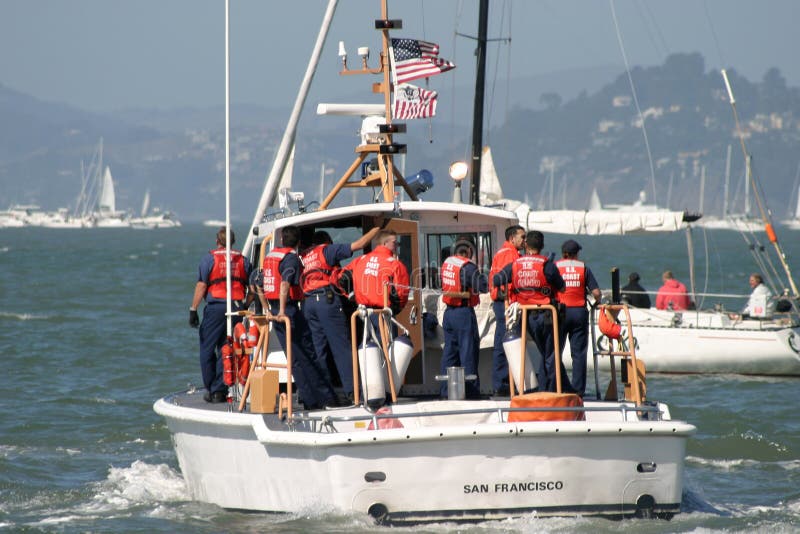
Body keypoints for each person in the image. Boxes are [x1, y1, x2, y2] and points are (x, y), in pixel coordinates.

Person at [300, 226, 380, 403]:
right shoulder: (327, 250)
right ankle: (353, 392)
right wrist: (377, 229)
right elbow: (359, 244)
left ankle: (323, 395)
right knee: (341, 348)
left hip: (308, 303)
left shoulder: (304, 256)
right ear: (327, 242)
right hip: (326, 301)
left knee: (318, 350)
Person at [260, 225, 337, 410]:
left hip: (275, 312)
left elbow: (257, 283)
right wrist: (282, 310)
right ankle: (327, 398)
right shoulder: (290, 259)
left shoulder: (270, 257)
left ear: (281, 240)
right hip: (288, 312)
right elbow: (285, 283)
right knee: (310, 355)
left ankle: (310, 400)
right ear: (299, 242)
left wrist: (267, 310)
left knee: (294, 359)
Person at [493, 230, 565, 392]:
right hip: (545, 315)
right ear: (542, 246)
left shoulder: (516, 264)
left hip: (524, 316)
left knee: (534, 353)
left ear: (526, 245)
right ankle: (550, 391)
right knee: (550, 354)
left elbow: (497, 280)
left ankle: (528, 389)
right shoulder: (547, 265)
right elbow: (562, 287)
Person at [189, 227, 252, 403]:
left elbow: (202, 285)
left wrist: (193, 309)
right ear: (233, 241)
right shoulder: (243, 261)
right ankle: (219, 389)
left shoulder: (209, 259)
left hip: (216, 308)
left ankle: (211, 387)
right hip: (236, 308)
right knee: (227, 348)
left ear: (217, 241)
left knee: (207, 348)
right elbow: (253, 287)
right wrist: (246, 305)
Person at [439, 237, 488, 399]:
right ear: (469, 250)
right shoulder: (468, 267)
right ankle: (471, 392)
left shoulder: (447, 262)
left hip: (449, 314)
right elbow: (483, 287)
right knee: (468, 353)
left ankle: (445, 391)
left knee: (449, 353)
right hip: (463, 314)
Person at [555, 239, 602, 397]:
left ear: (563, 253)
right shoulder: (583, 268)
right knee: (579, 354)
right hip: (579, 312)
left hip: (559, 312)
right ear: (576, 254)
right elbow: (596, 293)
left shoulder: (555, 267)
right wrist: (597, 303)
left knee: (554, 352)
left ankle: (559, 386)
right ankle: (578, 391)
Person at [348, 228, 410, 345]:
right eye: (394, 242)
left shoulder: (360, 260)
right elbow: (402, 292)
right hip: (383, 313)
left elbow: (342, 277)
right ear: (385, 243)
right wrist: (394, 310)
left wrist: (351, 297)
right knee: (387, 348)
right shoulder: (394, 264)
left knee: (367, 347)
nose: (397, 245)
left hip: (363, 314)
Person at [488, 224, 525, 395]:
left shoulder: (503, 253)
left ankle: (504, 382)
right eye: (522, 237)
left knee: (503, 341)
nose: (524, 240)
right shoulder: (509, 254)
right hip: (506, 304)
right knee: (505, 342)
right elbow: (504, 281)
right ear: (512, 238)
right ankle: (502, 383)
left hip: (504, 303)